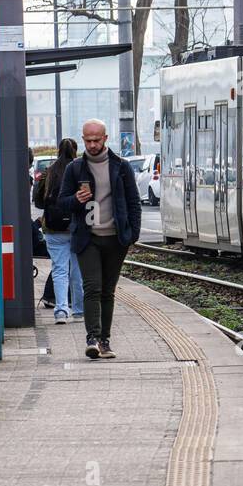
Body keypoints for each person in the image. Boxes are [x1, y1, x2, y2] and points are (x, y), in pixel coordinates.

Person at [57, 119, 142, 360]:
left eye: (96, 140)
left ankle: (105, 340)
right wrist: (76, 199)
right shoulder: (75, 168)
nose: (92, 145)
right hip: (88, 238)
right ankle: (92, 338)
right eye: (88, 140)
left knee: (108, 290)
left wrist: (132, 233)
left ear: (105, 138)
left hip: (116, 238)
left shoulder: (121, 166)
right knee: (92, 288)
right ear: (82, 140)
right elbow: (62, 202)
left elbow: (133, 201)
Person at [34, 138, 84, 325]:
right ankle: (78, 311)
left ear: (58, 151)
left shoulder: (49, 172)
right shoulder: (81, 170)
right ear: (75, 151)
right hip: (76, 226)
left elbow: (38, 201)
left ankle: (61, 311)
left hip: (53, 228)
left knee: (59, 270)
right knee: (78, 271)